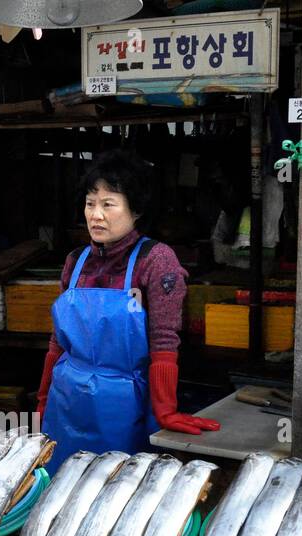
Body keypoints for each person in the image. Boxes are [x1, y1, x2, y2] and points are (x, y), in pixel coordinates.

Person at [36, 150, 219, 470]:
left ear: (135, 210)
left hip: (125, 408)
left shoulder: (156, 260)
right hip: (66, 406)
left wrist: (165, 409)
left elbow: (164, 340)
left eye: (109, 204)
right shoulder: (75, 262)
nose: (96, 215)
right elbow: (57, 342)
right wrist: (42, 399)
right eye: (90, 203)